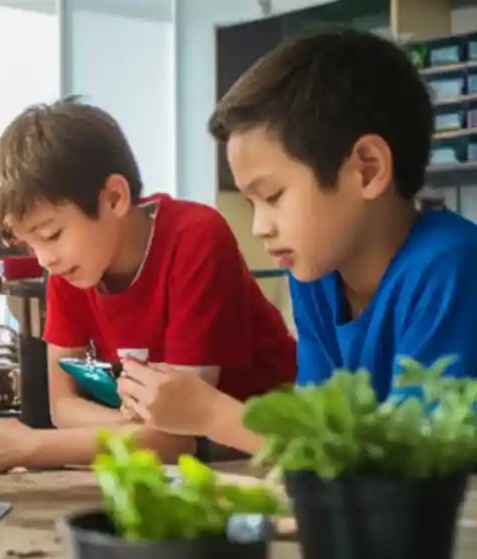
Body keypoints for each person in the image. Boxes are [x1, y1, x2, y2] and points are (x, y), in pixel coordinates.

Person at [121, 30, 477, 455]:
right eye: (251, 202)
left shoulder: (452, 267)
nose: (259, 228)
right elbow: (319, 434)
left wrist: (212, 415)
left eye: (273, 197)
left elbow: (404, 461)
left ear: (367, 170)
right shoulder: (316, 276)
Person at [0, 99, 296, 473]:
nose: (44, 258)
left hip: (272, 452)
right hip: (183, 461)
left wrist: (31, 447)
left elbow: (177, 433)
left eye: (50, 234)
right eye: (30, 243)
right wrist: (142, 433)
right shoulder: (73, 265)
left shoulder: (195, 237)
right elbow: (63, 407)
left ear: (114, 197)